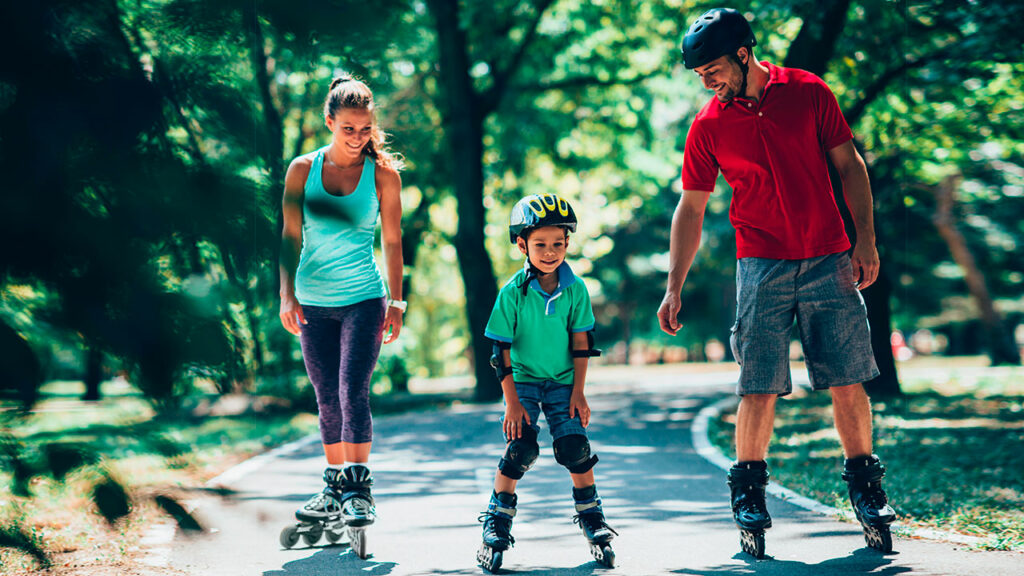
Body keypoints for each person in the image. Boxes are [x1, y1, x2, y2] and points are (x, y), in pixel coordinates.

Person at [657, 7, 897, 556]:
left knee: (848, 378)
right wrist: (673, 285)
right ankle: (748, 494)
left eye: (713, 70)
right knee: (758, 383)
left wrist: (865, 240)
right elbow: (691, 208)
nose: (707, 82)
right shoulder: (708, 125)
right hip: (761, 263)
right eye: (699, 75)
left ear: (744, 54)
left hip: (829, 256)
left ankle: (867, 489)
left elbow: (850, 165)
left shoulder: (808, 91)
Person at [278, 76, 405, 537]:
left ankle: (358, 487)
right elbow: (290, 235)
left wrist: (397, 301)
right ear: (329, 122)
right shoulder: (301, 170)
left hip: (364, 299)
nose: (357, 137)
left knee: (353, 390)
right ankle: (334, 486)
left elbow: (392, 242)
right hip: (312, 301)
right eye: (348, 128)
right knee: (326, 395)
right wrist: (285, 294)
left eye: (365, 129)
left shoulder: (383, 176)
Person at [476, 194, 616, 572]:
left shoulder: (576, 289)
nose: (550, 252)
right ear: (522, 245)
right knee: (521, 448)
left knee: (574, 447)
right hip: (522, 381)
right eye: (540, 244)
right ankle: (496, 520)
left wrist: (579, 392)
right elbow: (501, 350)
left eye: (558, 243)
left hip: (564, 383)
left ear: (568, 243)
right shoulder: (512, 292)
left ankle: (592, 516)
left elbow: (581, 343)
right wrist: (512, 403)